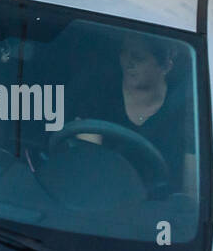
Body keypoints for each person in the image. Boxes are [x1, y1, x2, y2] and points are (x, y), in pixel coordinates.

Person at [79, 37, 196, 196]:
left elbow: (191, 188)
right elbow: (88, 162)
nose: (128, 63)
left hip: (160, 209)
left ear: (166, 67)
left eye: (138, 58)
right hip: (104, 197)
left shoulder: (187, 107)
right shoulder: (101, 94)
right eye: (123, 54)